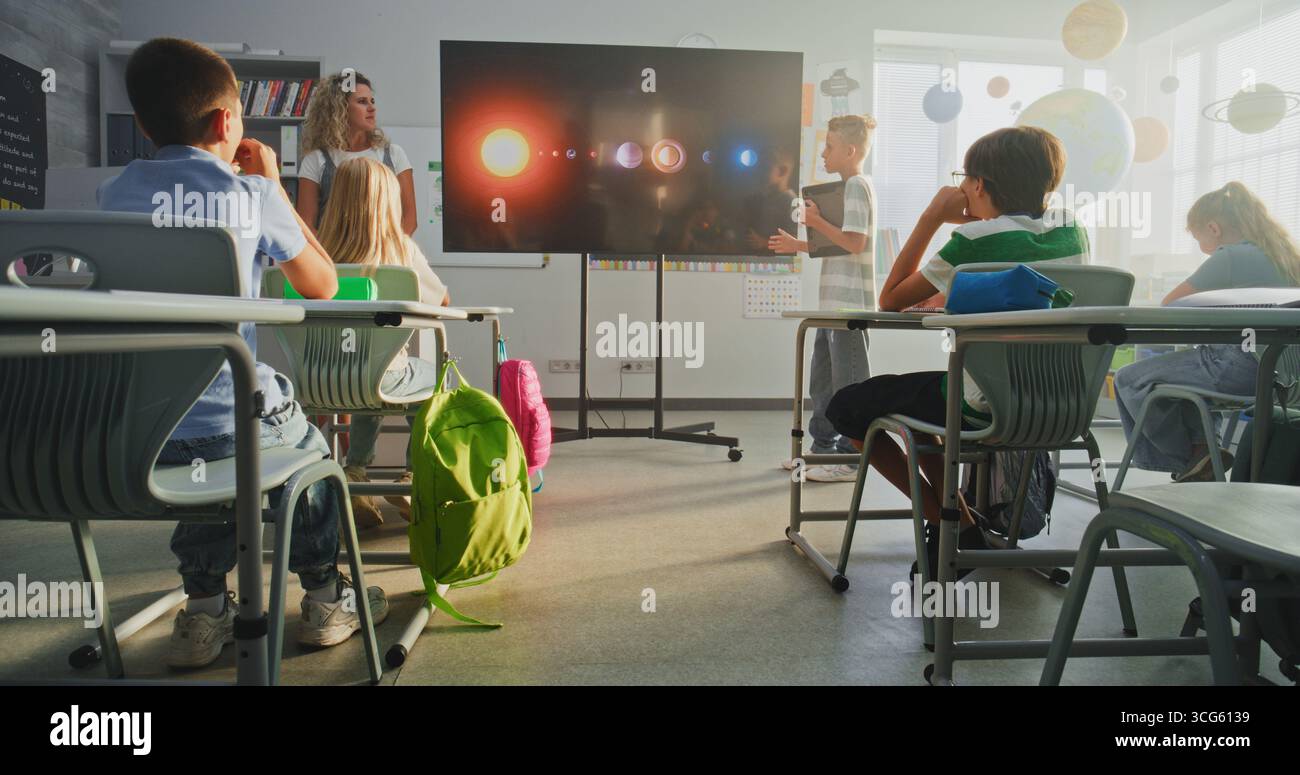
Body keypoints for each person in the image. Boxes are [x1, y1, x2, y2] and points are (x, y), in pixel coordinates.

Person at [97, 38, 388, 668]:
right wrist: (273, 189)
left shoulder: (110, 198)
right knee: (303, 458)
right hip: (233, 424)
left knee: (206, 459)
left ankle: (203, 613)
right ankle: (322, 598)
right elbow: (323, 284)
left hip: (140, 434)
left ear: (144, 125)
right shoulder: (248, 197)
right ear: (227, 123)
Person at [824, 126, 1086, 576]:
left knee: (847, 409)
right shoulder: (1072, 232)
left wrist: (932, 218)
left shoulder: (973, 242)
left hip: (982, 405)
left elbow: (891, 299)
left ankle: (953, 524)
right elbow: (1025, 277)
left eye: (965, 179)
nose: (961, 187)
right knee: (915, 410)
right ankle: (964, 521)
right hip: (1057, 405)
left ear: (979, 184)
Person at [1115, 181, 1300, 482]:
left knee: (1129, 380)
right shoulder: (1286, 257)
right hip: (1281, 374)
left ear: (1213, 229)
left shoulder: (1230, 257)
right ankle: (1203, 450)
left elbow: (1171, 306)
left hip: (1238, 366)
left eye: (1196, 237)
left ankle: (1194, 459)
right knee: (1184, 384)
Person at [316, 158, 450, 526]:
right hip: (385, 377)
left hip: (322, 379)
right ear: (389, 201)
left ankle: (355, 472)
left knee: (362, 377)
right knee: (436, 382)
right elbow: (442, 302)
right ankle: (412, 476)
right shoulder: (402, 253)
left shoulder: (317, 255)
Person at [769, 115, 876, 482]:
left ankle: (850, 459)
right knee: (823, 380)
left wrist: (815, 224)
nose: (824, 154)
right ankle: (821, 450)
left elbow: (855, 242)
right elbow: (838, 244)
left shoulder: (858, 186)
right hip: (831, 305)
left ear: (849, 150)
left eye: (829, 147)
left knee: (848, 383)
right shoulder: (844, 190)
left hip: (850, 305)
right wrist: (800, 243)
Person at [297, 70, 417, 235]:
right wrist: (335, 257)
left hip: (385, 259)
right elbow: (306, 225)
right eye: (362, 101)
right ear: (340, 108)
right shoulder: (315, 160)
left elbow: (409, 220)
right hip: (333, 259)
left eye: (372, 101)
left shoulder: (395, 155)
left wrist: (387, 254)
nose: (372, 108)